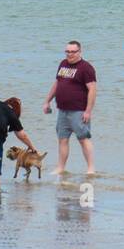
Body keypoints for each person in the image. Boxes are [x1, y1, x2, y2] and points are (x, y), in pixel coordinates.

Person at [44, 40, 96, 174]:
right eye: (67, 51)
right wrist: (47, 101)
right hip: (62, 110)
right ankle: (60, 168)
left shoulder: (86, 68)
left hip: (79, 111)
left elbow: (92, 90)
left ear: (80, 52)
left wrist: (88, 111)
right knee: (62, 140)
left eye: (73, 52)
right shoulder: (63, 64)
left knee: (83, 139)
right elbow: (57, 84)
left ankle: (91, 169)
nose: (70, 54)